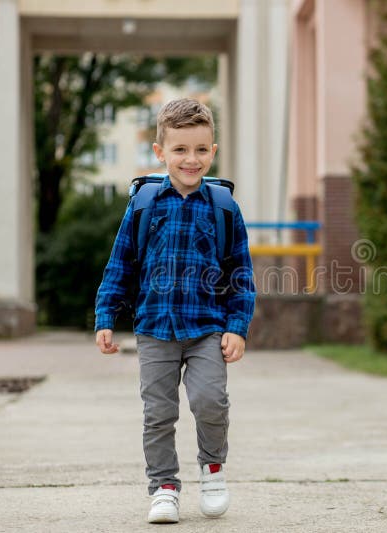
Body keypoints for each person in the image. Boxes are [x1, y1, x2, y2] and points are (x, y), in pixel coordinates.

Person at [94, 98, 256, 524]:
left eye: (201, 150)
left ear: (213, 152)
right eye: (180, 149)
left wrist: (237, 326)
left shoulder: (224, 208)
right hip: (154, 330)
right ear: (160, 152)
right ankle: (164, 487)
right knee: (158, 414)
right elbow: (120, 264)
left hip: (207, 329)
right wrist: (106, 317)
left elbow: (240, 274)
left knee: (210, 401)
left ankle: (213, 469)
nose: (191, 159)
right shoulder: (144, 205)